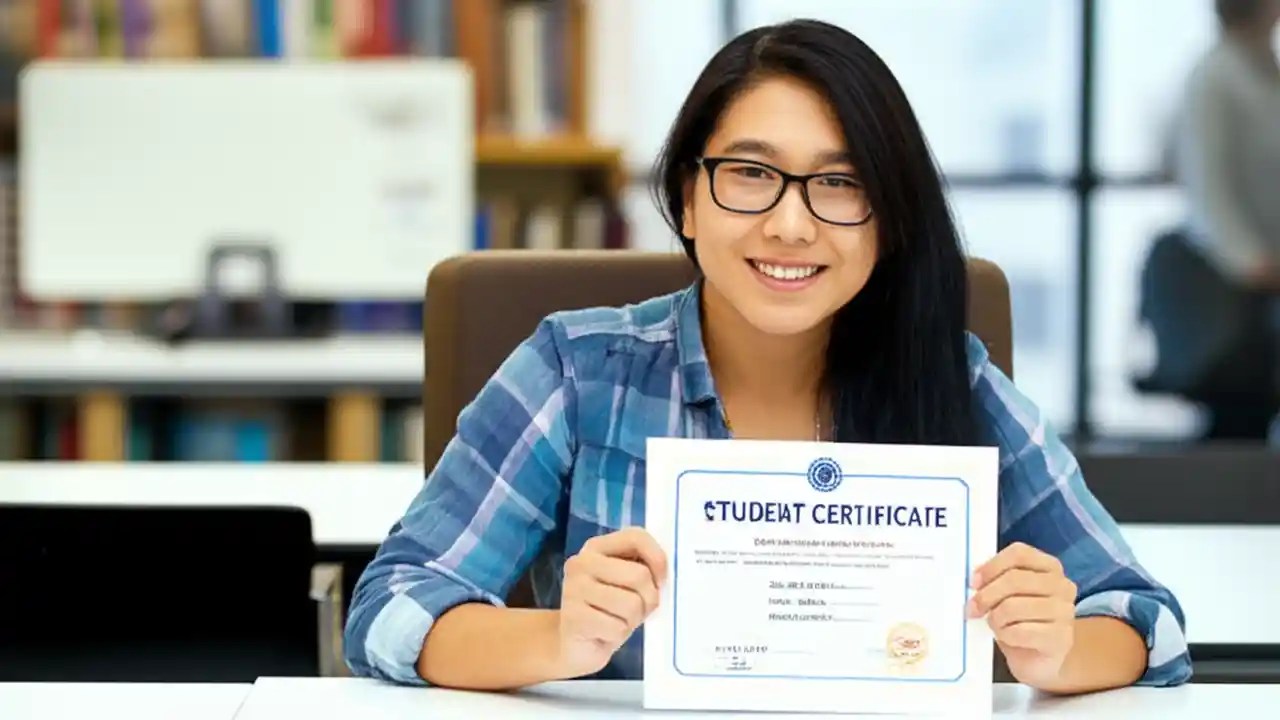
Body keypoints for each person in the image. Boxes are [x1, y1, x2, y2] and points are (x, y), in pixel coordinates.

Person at [344, 19, 1192, 695]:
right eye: (751, 174)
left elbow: (1146, 621)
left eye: (841, 183)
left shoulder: (953, 379)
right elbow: (390, 610)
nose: (791, 224)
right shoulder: (577, 370)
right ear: (686, 196)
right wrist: (561, 638)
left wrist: (1059, 653)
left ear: (890, 220)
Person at [1149, 0, 1280, 439]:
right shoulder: (1215, 76)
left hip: (1263, 269)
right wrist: (1253, 263)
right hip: (1239, 278)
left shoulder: (1265, 71)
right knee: (1239, 422)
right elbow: (1207, 188)